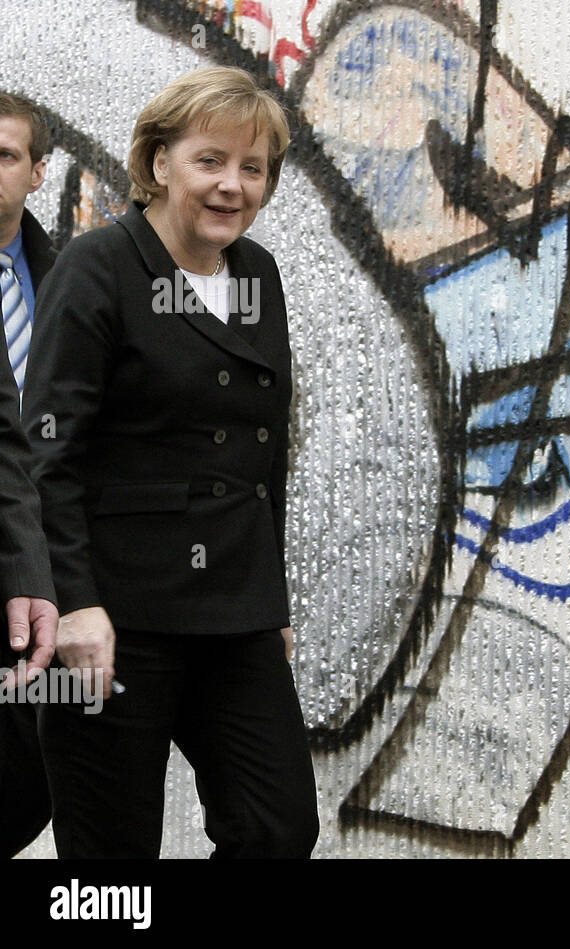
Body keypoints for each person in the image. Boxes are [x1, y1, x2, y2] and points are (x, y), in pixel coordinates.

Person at [24, 67, 318, 858]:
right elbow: (47, 451)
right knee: (111, 861)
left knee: (277, 826)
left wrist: (273, 598)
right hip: (116, 618)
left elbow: (265, 451)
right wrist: (74, 603)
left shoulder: (258, 275)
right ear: (160, 163)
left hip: (238, 614)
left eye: (252, 168)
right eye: (210, 160)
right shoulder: (99, 267)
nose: (233, 185)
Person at [0, 92, 60, 858]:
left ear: (40, 172)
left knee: (27, 784)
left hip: (39, 567)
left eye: (6, 154)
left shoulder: (71, 279)